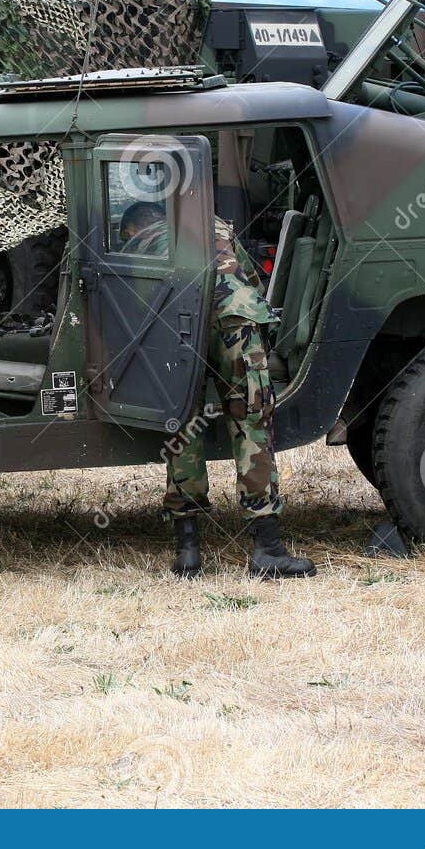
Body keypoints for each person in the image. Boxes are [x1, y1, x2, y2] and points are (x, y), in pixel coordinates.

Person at [118, 201, 314, 580]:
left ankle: (188, 551)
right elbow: (252, 283)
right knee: (251, 427)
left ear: (134, 227)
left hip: (175, 330)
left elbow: (130, 307)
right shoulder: (211, 223)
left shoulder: (133, 245)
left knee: (182, 428)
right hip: (235, 320)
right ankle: (267, 549)